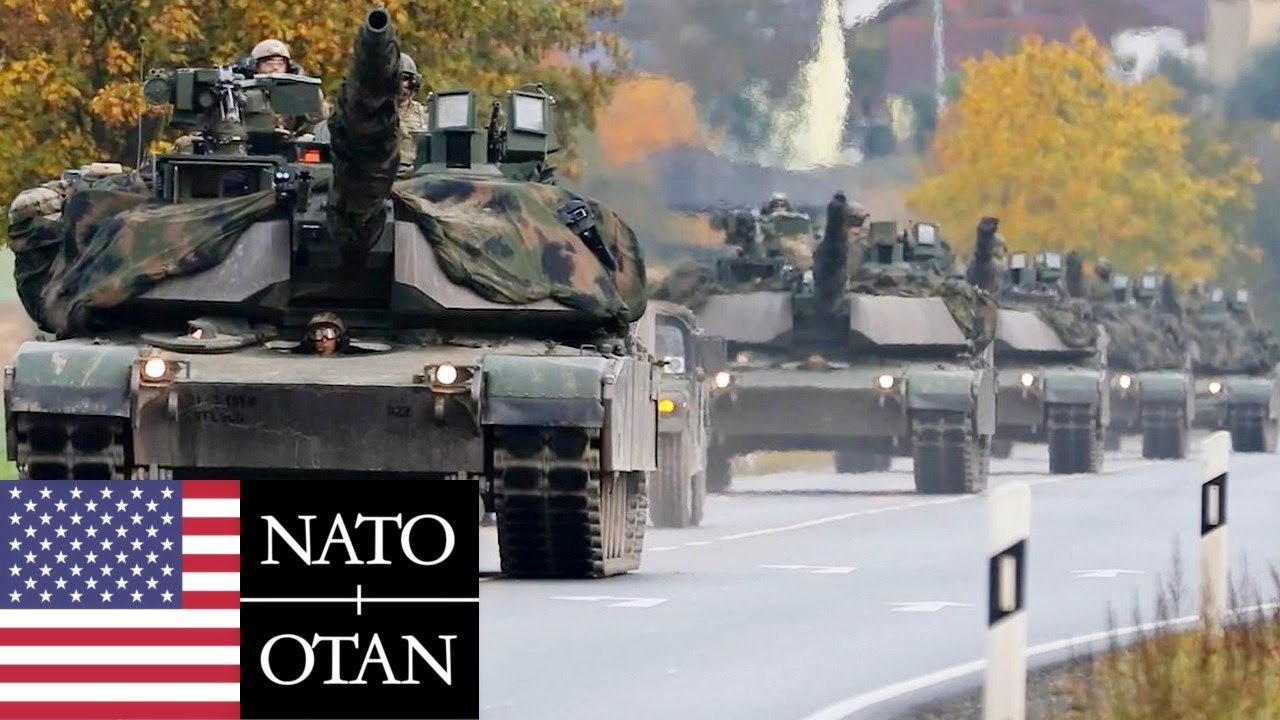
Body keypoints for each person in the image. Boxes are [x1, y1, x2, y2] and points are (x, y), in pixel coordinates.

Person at [397, 53, 429, 177]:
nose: (403, 84)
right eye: (398, 78)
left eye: (405, 79)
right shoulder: (374, 113)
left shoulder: (423, 115)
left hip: (416, 176)